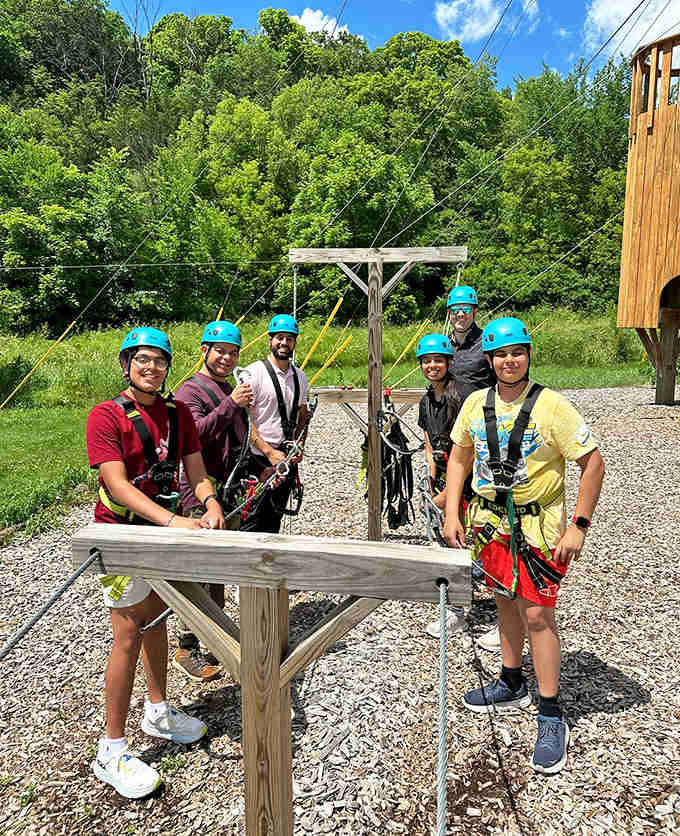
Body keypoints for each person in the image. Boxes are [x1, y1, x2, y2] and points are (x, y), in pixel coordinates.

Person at [443, 316, 604, 775]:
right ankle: (511, 681)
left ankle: (550, 712)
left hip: (539, 528)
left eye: (517, 353)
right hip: (490, 525)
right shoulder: (476, 403)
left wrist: (579, 525)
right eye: (500, 354)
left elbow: (593, 464)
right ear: (489, 360)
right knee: (504, 603)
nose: (509, 361)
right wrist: (452, 511)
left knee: (537, 614)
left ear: (529, 355)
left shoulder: (552, 406)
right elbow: (459, 457)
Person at [86, 327, 225, 799]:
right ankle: (111, 749)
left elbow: (196, 469)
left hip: (164, 530)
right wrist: (173, 521)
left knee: (158, 619)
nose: (152, 368)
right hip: (121, 535)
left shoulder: (178, 413)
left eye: (160, 361)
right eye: (142, 360)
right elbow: (117, 484)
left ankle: (158, 709)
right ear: (126, 365)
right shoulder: (106, 415)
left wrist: (209, 503)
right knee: (127, 632)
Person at [173, 320, 251, 682]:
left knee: (217, 572)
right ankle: (186, 645)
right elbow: (193, 436)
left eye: (233, 353)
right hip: (198, 493)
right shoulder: (190, 391)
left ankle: (214, 636)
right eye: (220, 351)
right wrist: (231, 405)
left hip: (226, 490)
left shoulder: (226, 388)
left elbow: (239, 438)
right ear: (204, 351)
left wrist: (262, 466)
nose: (227, 358)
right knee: (197, 572)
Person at [447, 284, 500, 651]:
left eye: (466, 308)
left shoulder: (486, 345)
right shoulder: (446, 346)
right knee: (452, 519)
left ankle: (501, 611)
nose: (461, 313)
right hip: (450, 440)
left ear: (475, 311)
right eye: (456, 308)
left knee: (491, 522)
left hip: (483, 442)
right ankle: (457, 605)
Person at [415, 333, 465, 639]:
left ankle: (459, 610)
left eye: (438, 360)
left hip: (465, 477)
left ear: (448, 363)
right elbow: (428, 442)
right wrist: (430, 478)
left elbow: (467, 450)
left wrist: (446, 496)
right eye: (427, 361)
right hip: (444, 473)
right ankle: (455, 602)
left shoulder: (458, 398)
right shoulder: (427, 400)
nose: (432, 366)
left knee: (459, 538)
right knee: (447, 539)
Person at [241, 314, 310, 534]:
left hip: (285, 458)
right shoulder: (254, 373)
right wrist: (268, 452)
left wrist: (299, 444)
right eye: (279, 337)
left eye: (289, 339)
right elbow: (244, 420)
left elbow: (303, 416)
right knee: (251, 520)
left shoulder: (300, 377)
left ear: (295, 343)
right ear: (270, 339)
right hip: (258, 459)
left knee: (274, 518)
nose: (284, 343)